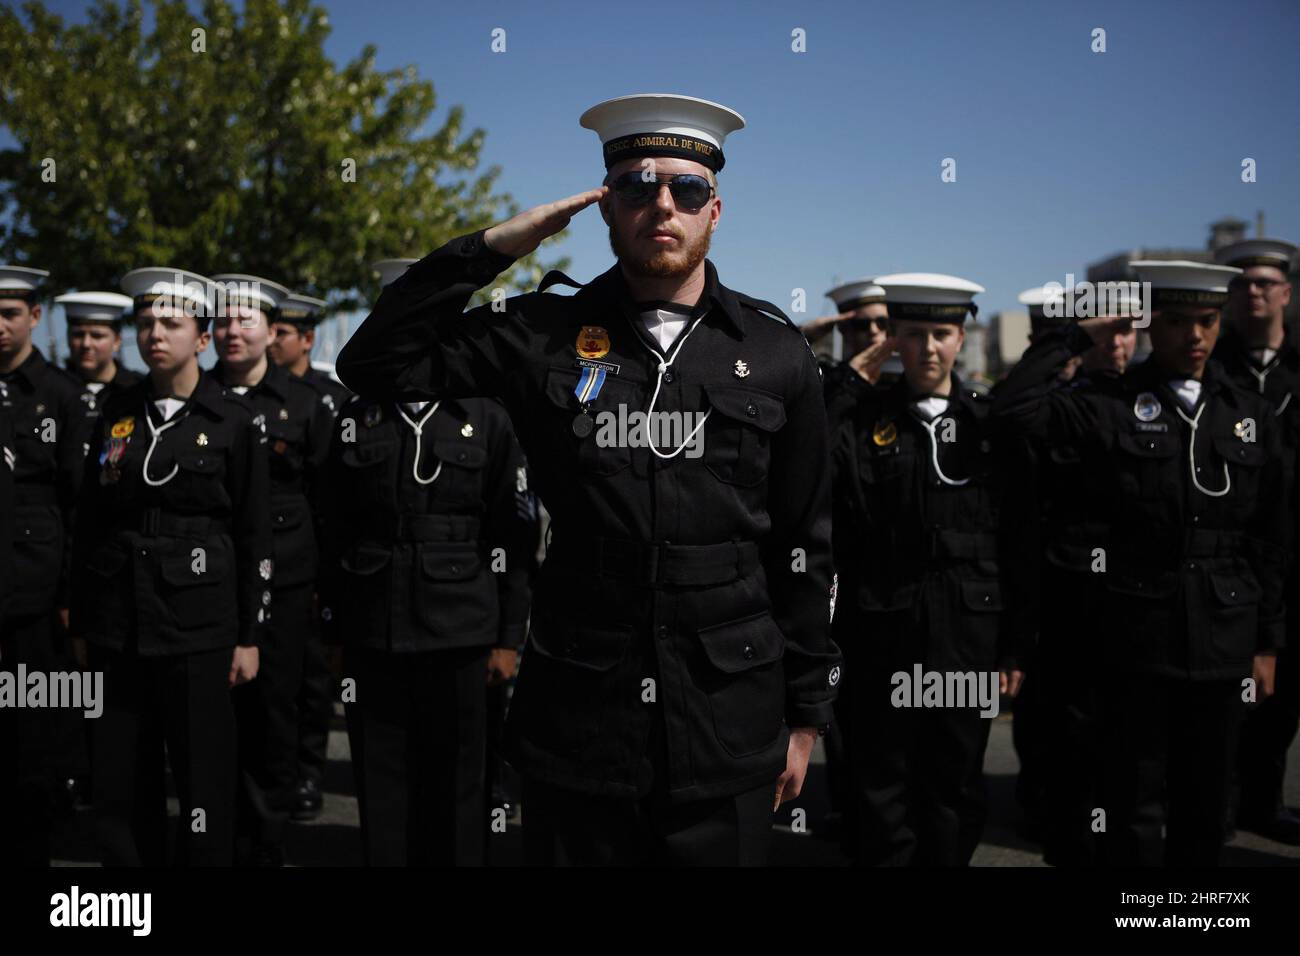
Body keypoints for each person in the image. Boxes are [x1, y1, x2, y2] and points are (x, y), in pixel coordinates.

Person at [336, 93, 840, 866]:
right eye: (636, 187)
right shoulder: (541, 333)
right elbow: (373, 364)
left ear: (716, 209)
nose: (661, 205)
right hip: (580, 717)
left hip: (728, 719)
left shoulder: (775, 353)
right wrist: (493, 247)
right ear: (605, 207)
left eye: (686, 188)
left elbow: (805, 543)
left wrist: (805, 714)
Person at [992, 260, 1287, 866]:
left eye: (1206, 321)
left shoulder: (1247, 411)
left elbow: (1269, 535)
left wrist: (1266, 641)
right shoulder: (1111, 403)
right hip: (1133, 639)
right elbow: (1011, 410)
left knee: (1207, 802)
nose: (1195, 336)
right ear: (1152, 326)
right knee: (1130, 801)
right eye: (1178, 322)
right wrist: (1080, 332)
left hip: (1224, 636)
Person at [319, 259, 537, 864]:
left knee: (461, 782)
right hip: (371, 626)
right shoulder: (354, 416)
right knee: (380, 781)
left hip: (462, 630)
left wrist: (506, 638)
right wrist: (334, 626)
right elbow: (331, 528)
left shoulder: (489, 417)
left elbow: (514, 539)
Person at [70, 267, 272, 866]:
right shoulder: (117, 410)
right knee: (121, 778)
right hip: (118, 619)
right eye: (146, 322)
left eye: (171, 323)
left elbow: (254, 533)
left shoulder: (232, 420)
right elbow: (90, 520)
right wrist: (82, 618)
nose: (155, 334)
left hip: (198, 624)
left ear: (203, 338)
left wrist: (249, 636)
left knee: (203, 778)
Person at [826, 272, 1028, 866]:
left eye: (942, 333)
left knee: (955, 784)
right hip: (880, 637)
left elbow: (1018, 543)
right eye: (913, 335)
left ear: (962, 338)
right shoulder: (865, 420)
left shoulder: (989, 425)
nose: (929, 348)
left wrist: (1015, 646)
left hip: (966, 638)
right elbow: (805, 446)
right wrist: (852, 375)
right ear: (893, 341)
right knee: (879, 785)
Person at [208, 272, 333, 865]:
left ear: (267, 329)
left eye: (246, 320)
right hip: (204, 582)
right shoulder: (196, 399)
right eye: (224, 320)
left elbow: (330, 501)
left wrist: (325, 590)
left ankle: (268, 839)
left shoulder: (308, 404)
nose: (233, 331)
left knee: (274, 713)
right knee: (210, 717)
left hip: (285, 582)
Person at [1016, 283, 1138, 865]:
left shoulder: (1137, 398)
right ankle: (1050, 810)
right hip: (1052, 581)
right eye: (1107, 331)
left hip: (1119, 591)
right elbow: (1015, 409)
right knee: (1053, 716)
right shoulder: (1058, 398)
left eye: (1126, 331)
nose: (1120, 342)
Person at [1209, 238, 1300, 846]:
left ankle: (1262, 802)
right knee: (1231, 694)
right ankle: (1225, 805)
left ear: (1286, 293)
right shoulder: (1212, 368)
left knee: (1283, 697)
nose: (1254, 292)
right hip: (1235, 555)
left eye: (1266, 282)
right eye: (1242, 283)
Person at [0, 264, 88, 866]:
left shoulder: (58, 395)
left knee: (35, 734)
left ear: (35, 316)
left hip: (36, 595)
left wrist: (70, 597)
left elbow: (80, 504)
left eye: (9, 313)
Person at [267, 289, 346, 822]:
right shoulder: (245, 394)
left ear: (307, 339)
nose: (272, 341)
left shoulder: (327, 398)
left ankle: (309, 771)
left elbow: (331, 494)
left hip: (309, 559)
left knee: (312, 677)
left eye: (282, 333)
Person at [58, 291, 144, 444]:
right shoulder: (53, 390)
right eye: (78, 335)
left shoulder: (139, 390)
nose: (86, 344)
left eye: (97, 336)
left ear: (117, 340)